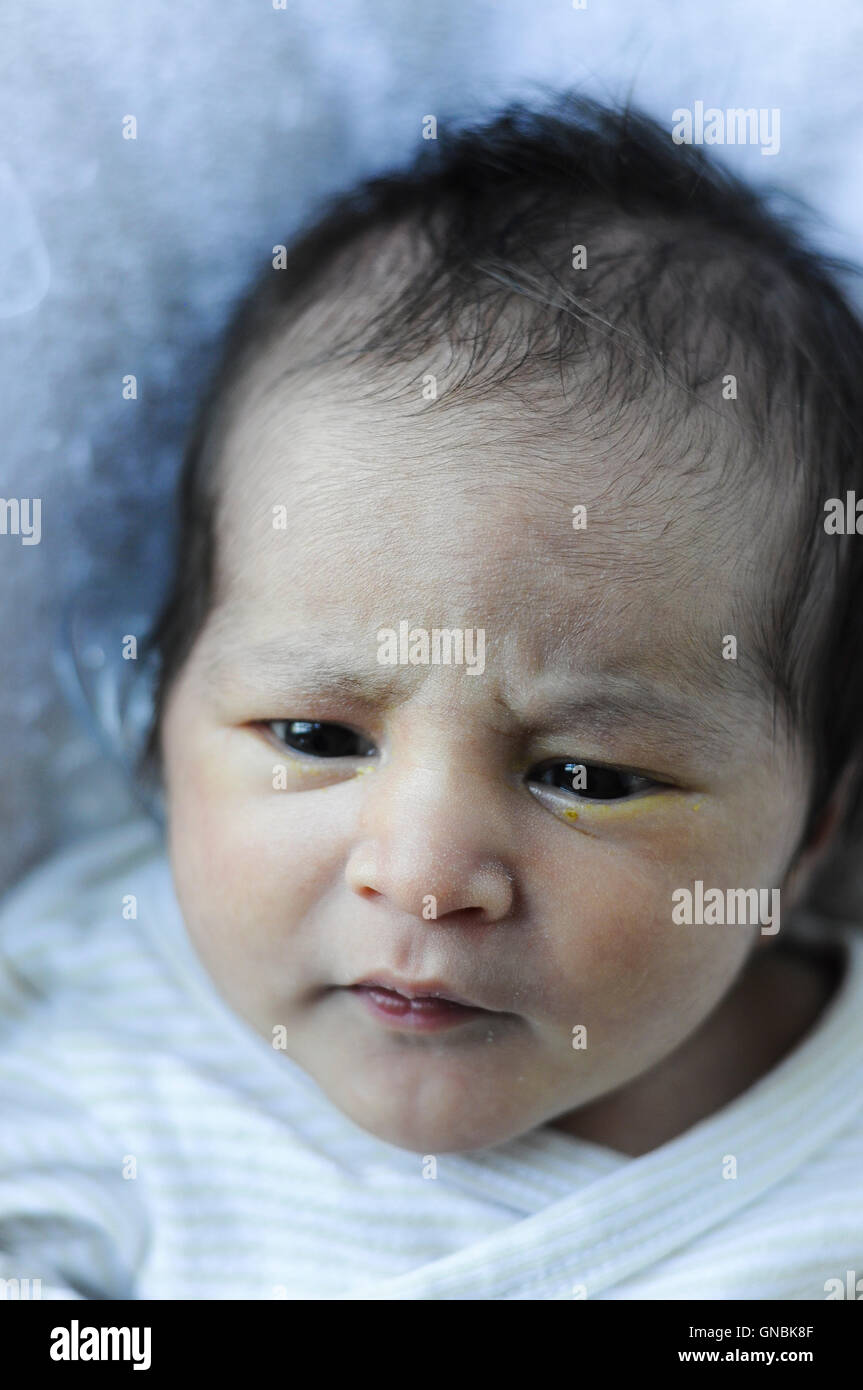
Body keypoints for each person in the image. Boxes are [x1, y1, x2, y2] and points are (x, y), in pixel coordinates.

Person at [2, 94, 862, 1301]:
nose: (420, 873)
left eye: (588, 777)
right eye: (315, 735)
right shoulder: (119, 1042)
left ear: (809, 833)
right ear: (153, 729)